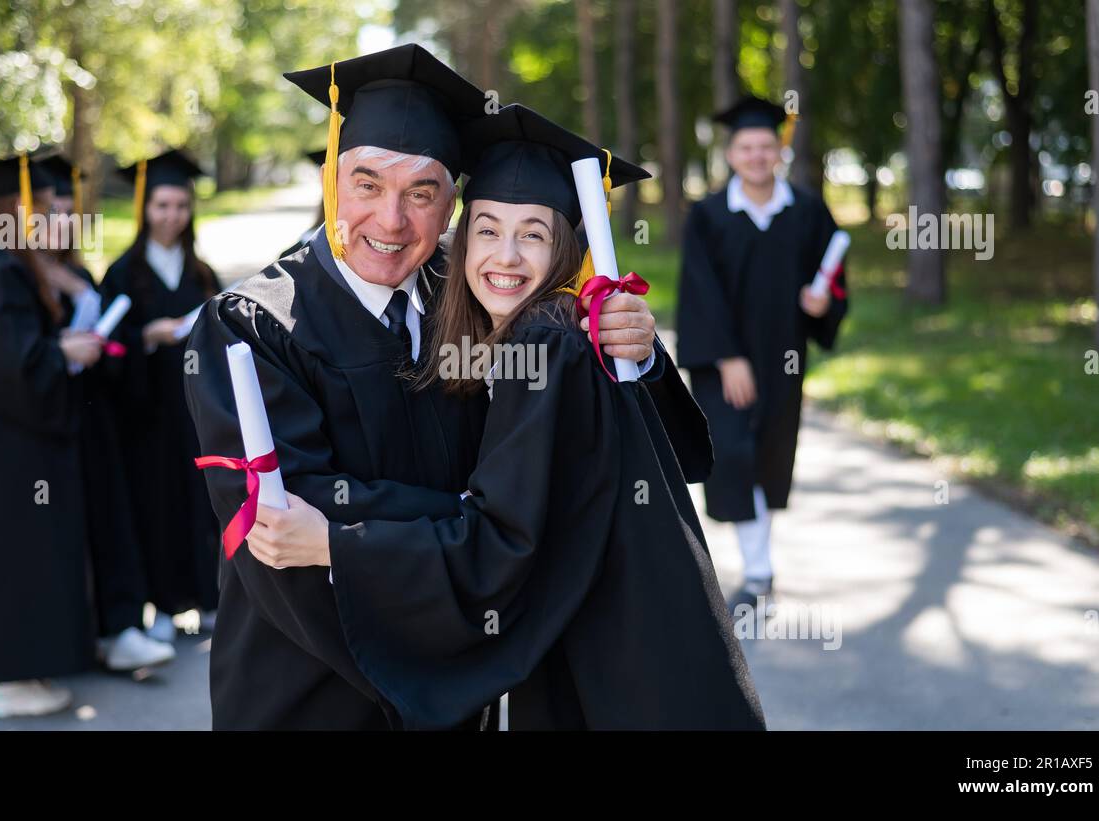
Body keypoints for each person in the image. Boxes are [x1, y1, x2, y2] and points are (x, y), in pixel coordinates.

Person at [184, 44, 675, 730]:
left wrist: (635, 352)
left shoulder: (477, 294)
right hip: (306, 686)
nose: (391, 220)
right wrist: (489, 533)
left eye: (422, 192)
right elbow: (286, 521)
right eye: (367, 183)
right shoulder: (254, 325)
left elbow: (595, 440)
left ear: (452, 205)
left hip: (457, 694)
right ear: (331, 178)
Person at [247, 104, 766, 730]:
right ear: (461, 242)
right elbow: (677, 458)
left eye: (535, 235)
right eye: (488, 229)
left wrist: (336, 544)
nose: (507, 256)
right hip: (635, 646)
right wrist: (646, 360)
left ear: (566, 249)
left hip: (618, 666)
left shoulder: (542, 344)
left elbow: (500, 545)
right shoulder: (553, 333)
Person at [0, 151, 100, 718]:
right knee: (20, 557)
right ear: (14, 208)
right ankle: (13, 682)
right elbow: (16, 370)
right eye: (42, 206)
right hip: (16, 449)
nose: (49, 216)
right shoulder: (3, 273)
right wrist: (65, 353)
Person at [675, 96, 849, 612]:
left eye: (765, 147)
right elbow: (698, 291)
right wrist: (726, 358)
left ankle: (758, 569)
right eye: (746, 147)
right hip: (724, 361)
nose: (755, 156)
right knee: (731, 452)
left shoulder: (806, 210)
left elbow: (833, 281)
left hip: (782, 355)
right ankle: (757, 568)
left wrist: (823, 302)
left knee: (769, 455)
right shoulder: (708, 216)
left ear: (779, 152)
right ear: (731, 155)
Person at [35, 153, 175, 671]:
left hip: (91, 420)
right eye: (52, 213)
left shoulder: (79, 273)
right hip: (44, 427)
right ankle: (85, 636)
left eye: (69, 212)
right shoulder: (17, 281)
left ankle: (119, 629)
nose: (64, 223)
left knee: (109, 520)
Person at [102, 148, 222, 642]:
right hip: (146, 413)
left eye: (180, 205)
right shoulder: (122, 274)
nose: (171, 216)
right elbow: (106, 345)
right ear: (143, 210)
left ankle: (208, 599)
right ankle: (164, 605)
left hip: (195, 413)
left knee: (204, 502)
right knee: (156, 504)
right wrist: (145, 338)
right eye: (161, 206)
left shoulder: (201, 274)